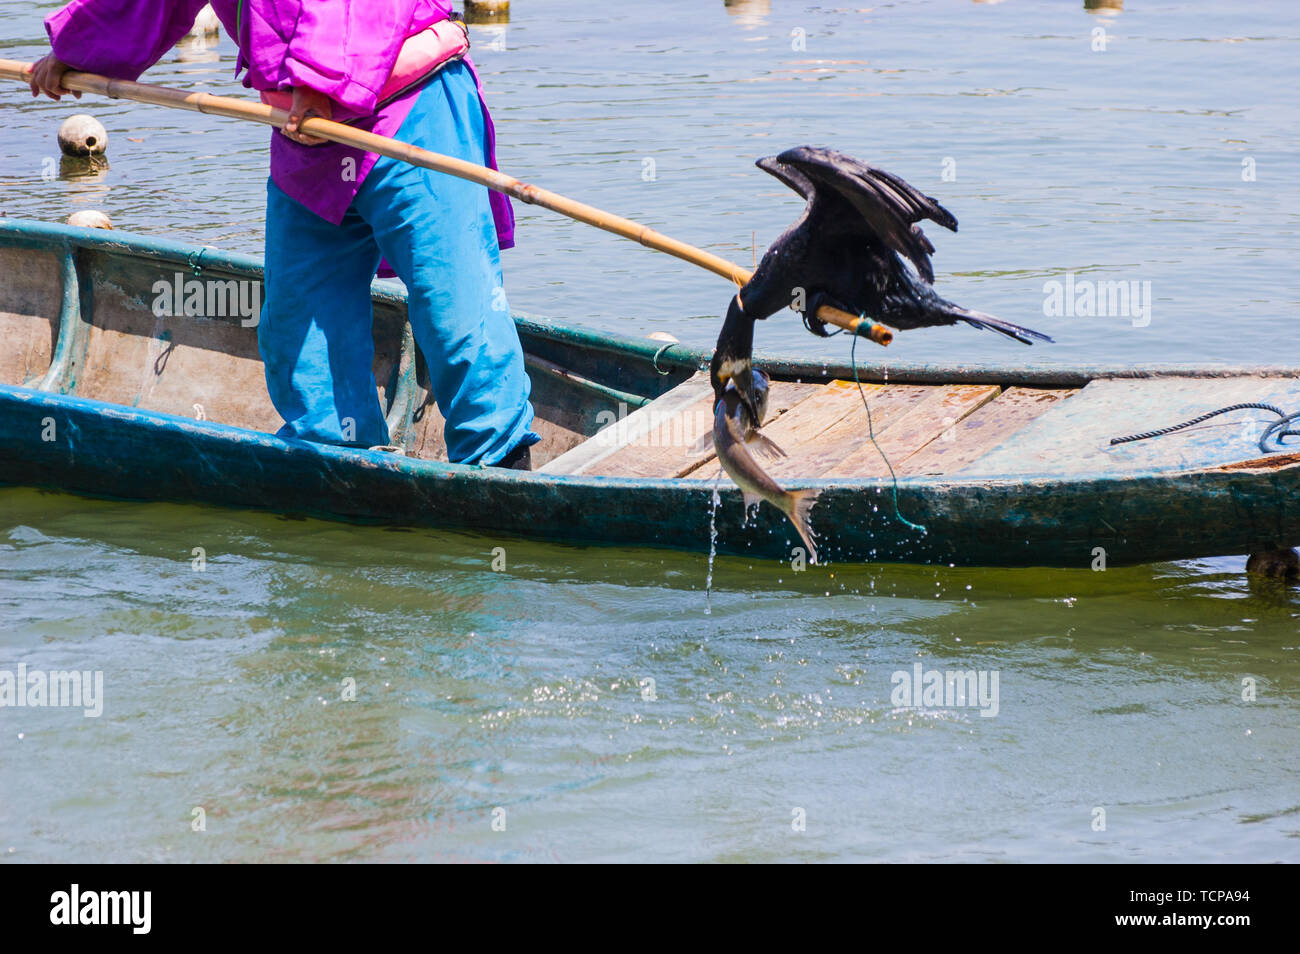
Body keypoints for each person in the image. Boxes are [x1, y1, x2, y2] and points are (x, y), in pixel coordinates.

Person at [29, 0, 540, 469]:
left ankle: (499, 465)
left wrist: (323, 79)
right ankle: (340, 462)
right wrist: (75, 51)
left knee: (453, 307)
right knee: (300, 327)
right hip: (306, 133)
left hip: (410, 110)